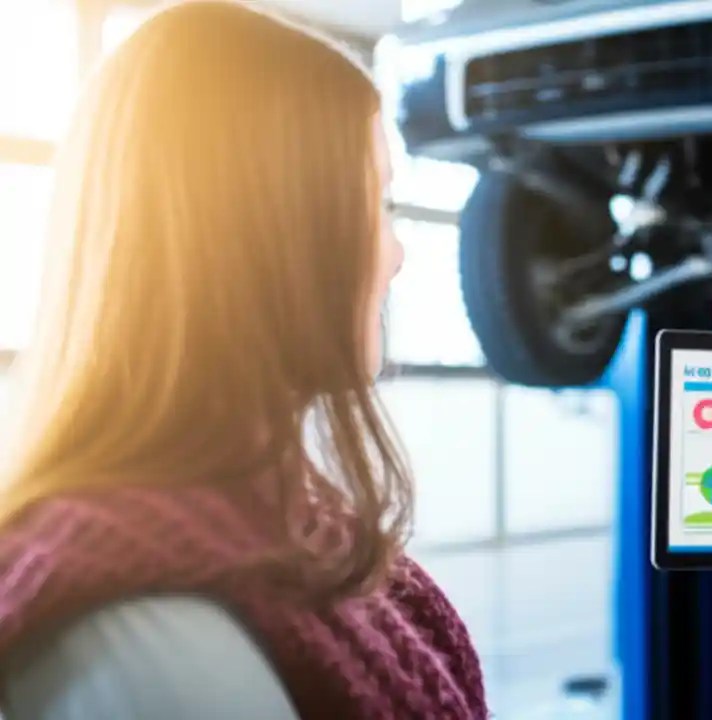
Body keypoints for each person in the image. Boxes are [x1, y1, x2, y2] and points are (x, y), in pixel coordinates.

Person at [0, 2, 487, 719]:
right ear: (277, 234)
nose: (396, 254)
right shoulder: (149, 634)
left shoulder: (305, 542)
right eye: (375, 202)